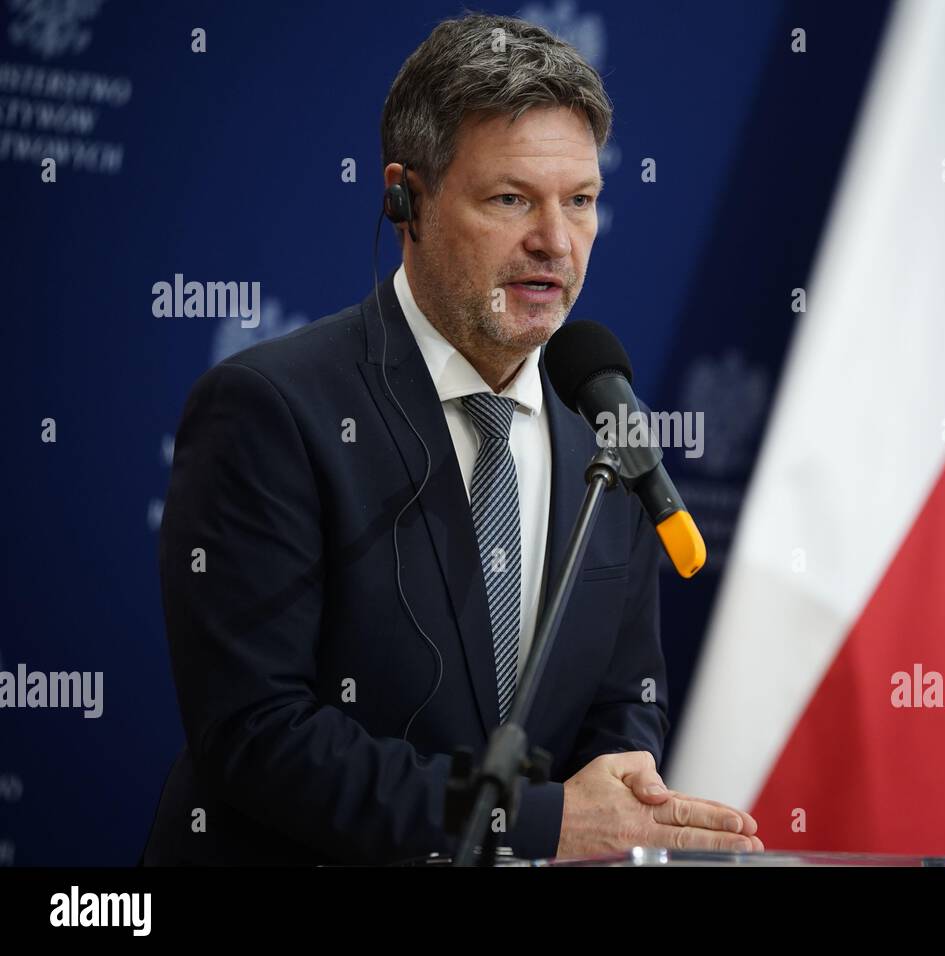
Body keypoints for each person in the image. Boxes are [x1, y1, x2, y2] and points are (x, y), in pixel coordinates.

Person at [141, 12, 762, 865]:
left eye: (580, 201)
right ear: (408, 199)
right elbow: (258, 737)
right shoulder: (270, 410)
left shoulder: (603, 431)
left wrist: (627, 793)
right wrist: (534, 819)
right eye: (511, 199)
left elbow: (622, 700)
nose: (556, 242)